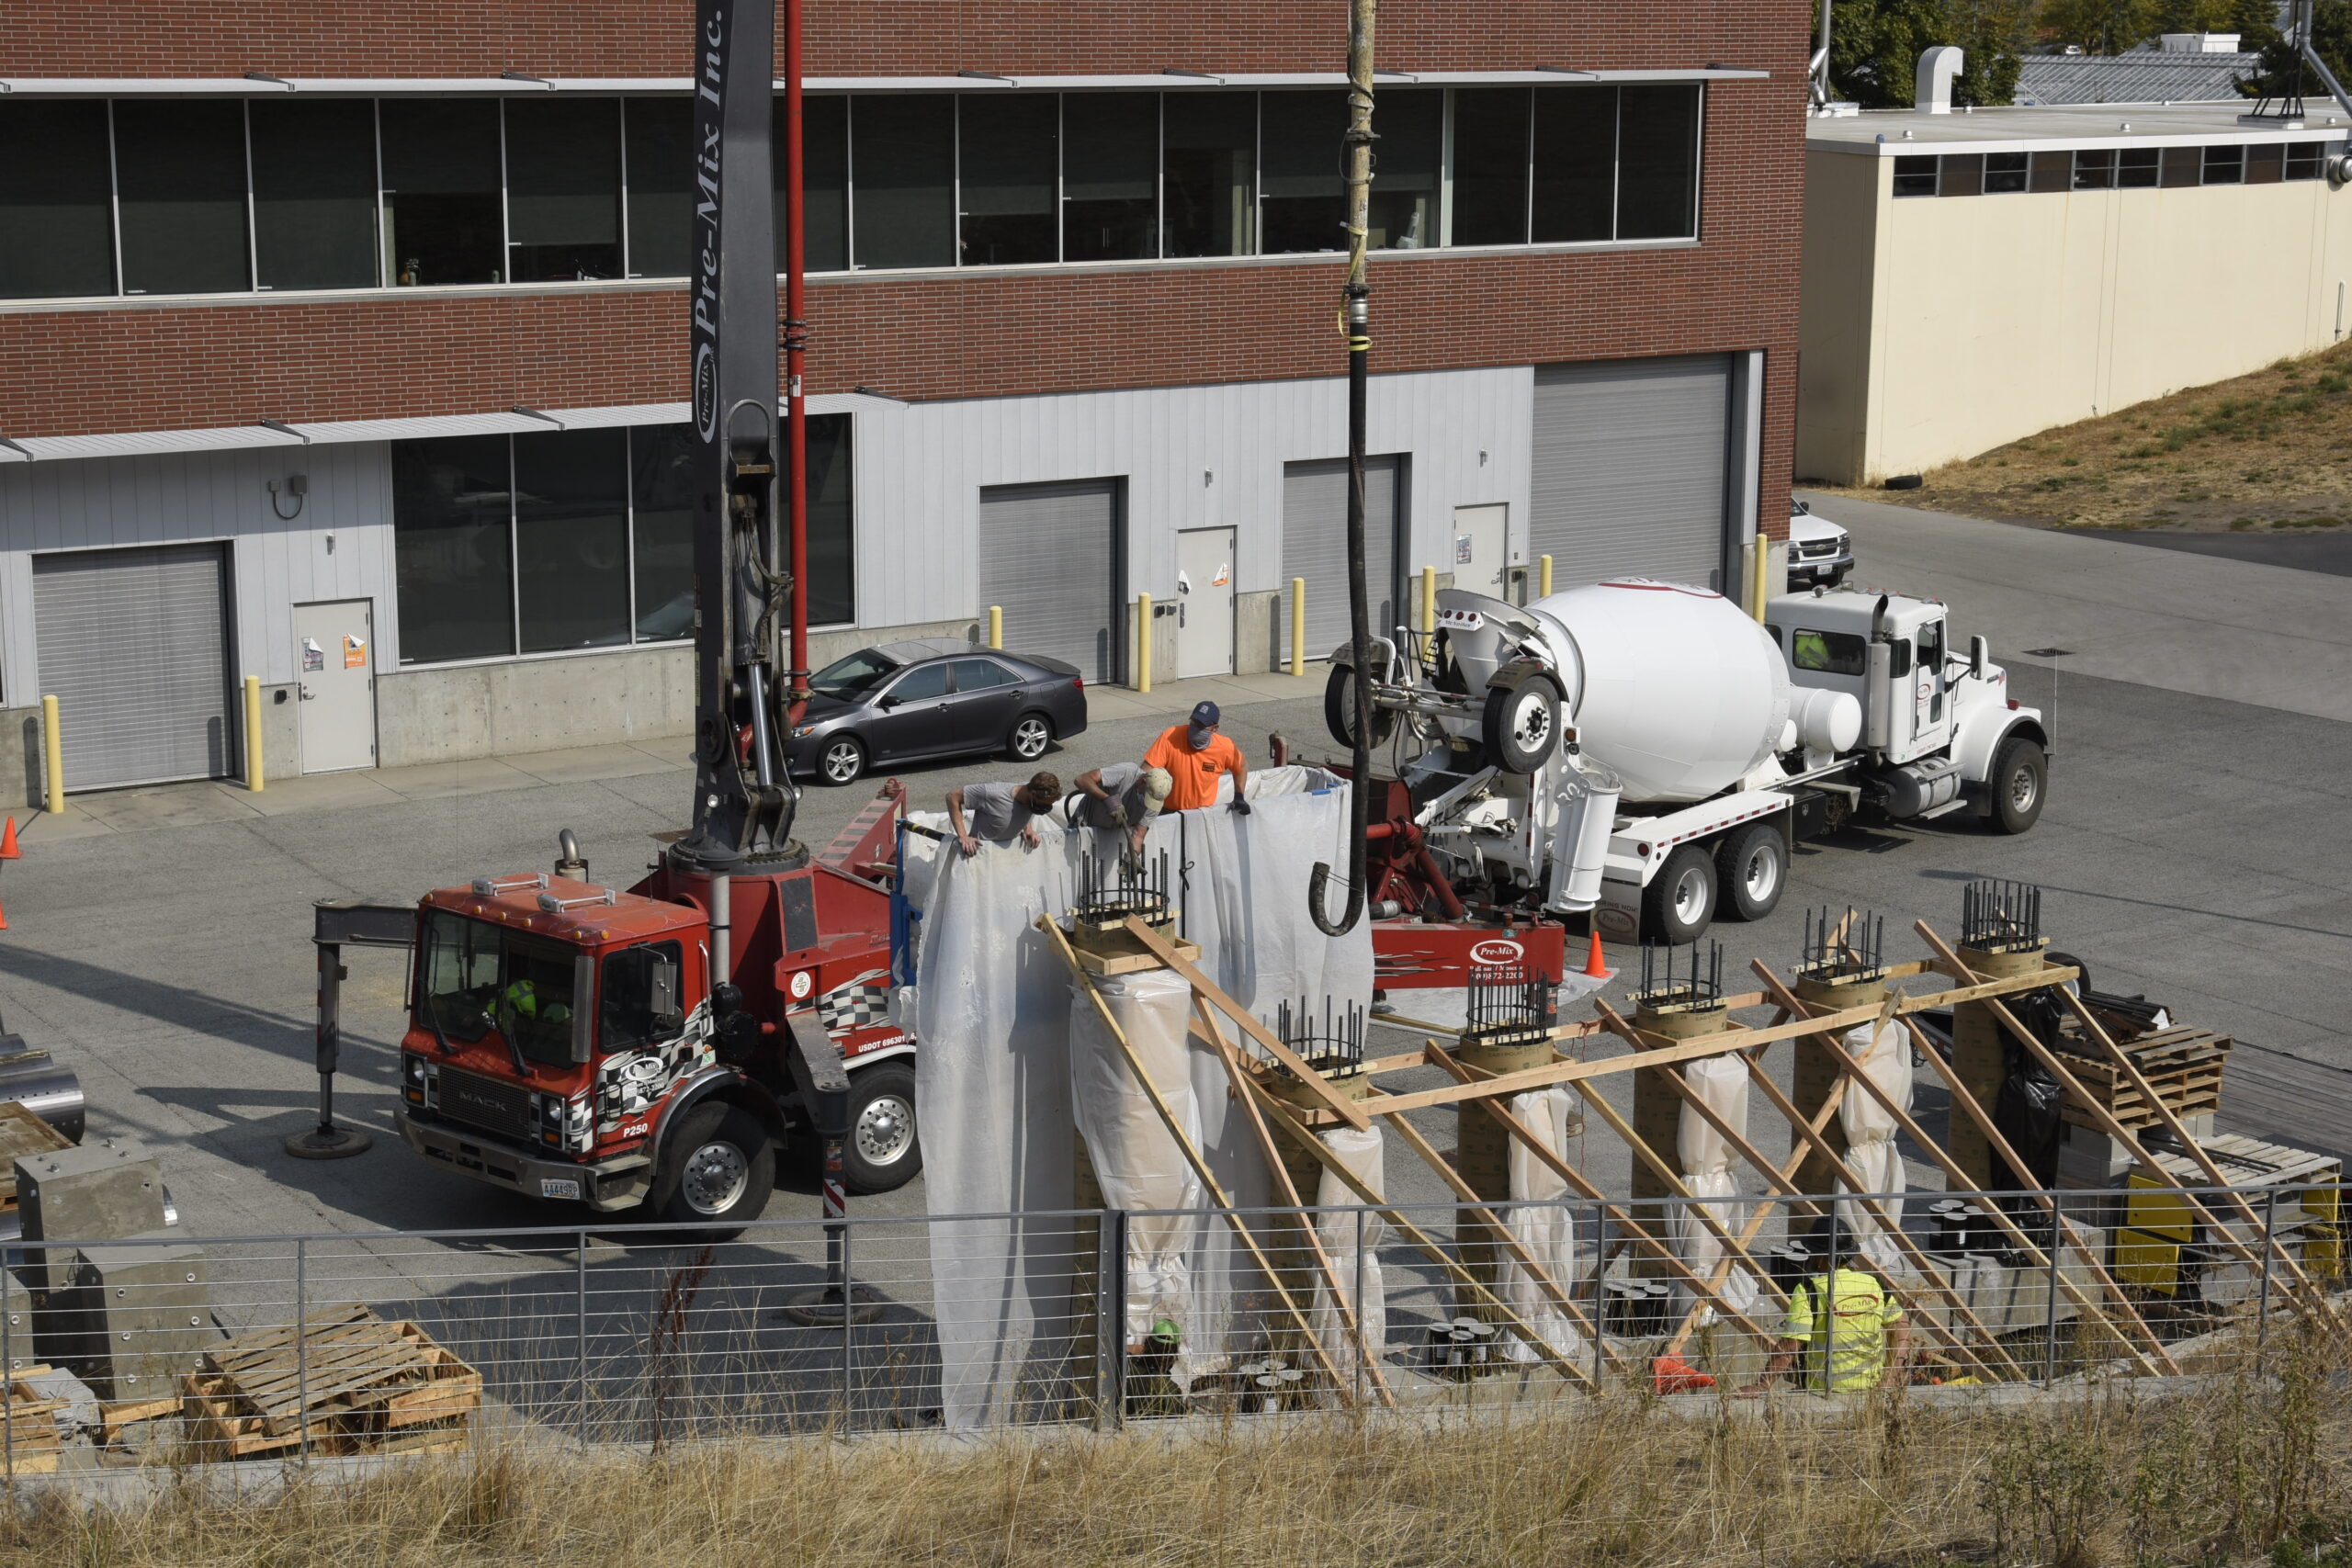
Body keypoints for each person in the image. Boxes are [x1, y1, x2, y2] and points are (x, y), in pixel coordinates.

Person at [1741, 1242, 1909, 1394]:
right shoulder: (1874, 1284)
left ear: (1821, 1257)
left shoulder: (1809, 1289)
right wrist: (1891, 1376)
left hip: (1823, 1390)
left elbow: (1791, 1344)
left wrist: (1763, 1384)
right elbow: (1901, 1325)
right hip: (1871, 1385)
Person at [1144, 701, 1251, 815]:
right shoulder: (1170, 737)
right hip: (1167, 814)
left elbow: (1241, 766)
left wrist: (1239, 796)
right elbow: (1146, 771)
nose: (1195, 728)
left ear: (1215, 728)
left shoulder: (1224, 747)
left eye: (1201, 725)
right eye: (1194, 722)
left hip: (1201, 815)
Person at [946, 771, 1060, 857]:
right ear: (1033, 794)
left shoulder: (1030, 794)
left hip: (1007, 858)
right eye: (1044, 805)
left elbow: (1024, 809)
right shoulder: (993, 793)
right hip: (980, 855)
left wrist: (1028, 828)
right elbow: (952, 797)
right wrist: (963, 836)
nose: (1045, 808)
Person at [1070, 762, 1173, 855]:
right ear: (1143, 781)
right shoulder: (1126, 772)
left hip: (1110, 839)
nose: (1147, 802)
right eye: (1146, 795)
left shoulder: (1155, 802)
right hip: (1085, 825)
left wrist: (1133, 856)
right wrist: (1107, 800)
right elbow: (1081, 780)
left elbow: (1138, 834)